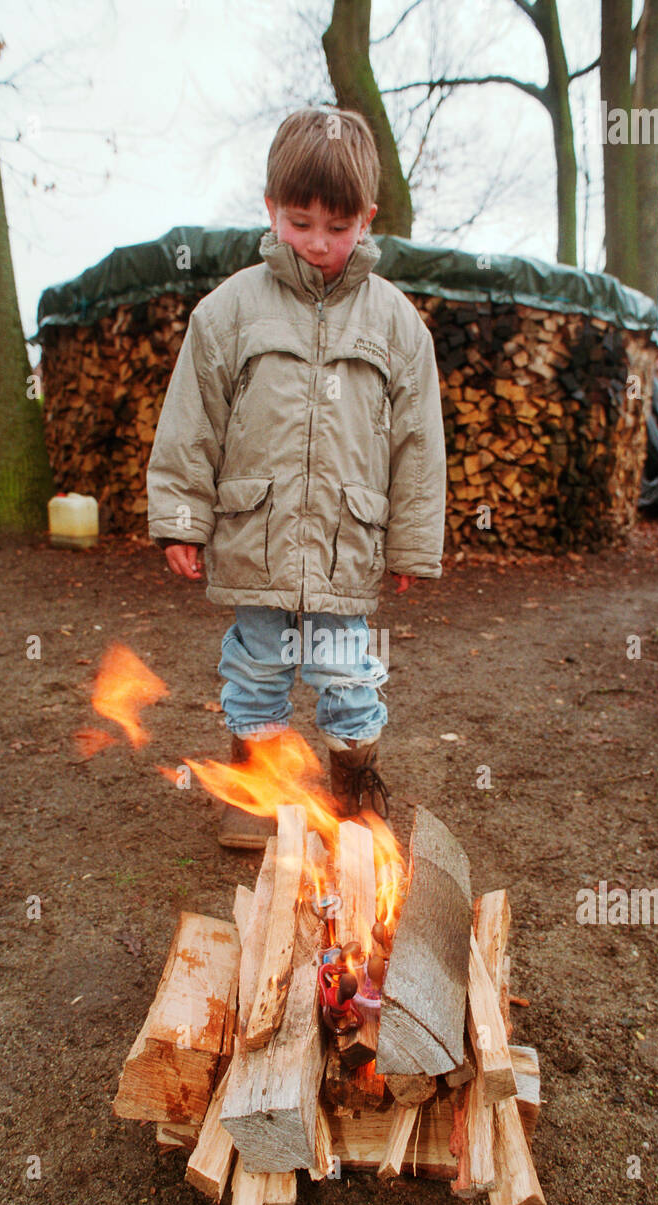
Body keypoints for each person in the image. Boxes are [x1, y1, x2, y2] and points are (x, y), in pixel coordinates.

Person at [147, 106, 446, 848]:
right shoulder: (228, 312)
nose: (318, 243)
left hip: (348, 540)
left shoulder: (396, 324)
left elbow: (417, 442)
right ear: (271, 210)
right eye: (301, 221)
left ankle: (352, 790)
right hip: (256, 532)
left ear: (368, 219)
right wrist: (181, 519)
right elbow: (192, 424)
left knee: (347, 673)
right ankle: (256, 792)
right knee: (255, 670)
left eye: (337, 227)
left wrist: (412, 545)